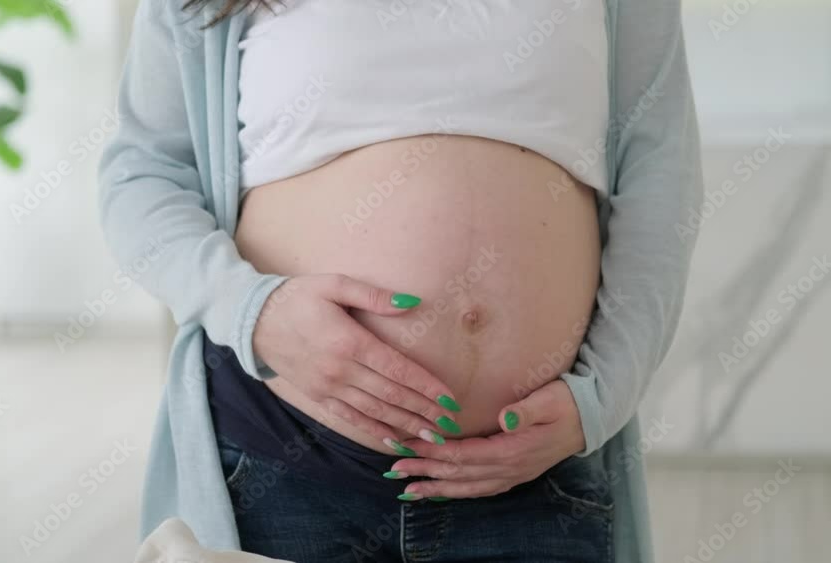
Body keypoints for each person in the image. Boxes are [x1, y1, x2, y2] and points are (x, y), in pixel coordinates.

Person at [98, 0, 703, 561]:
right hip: (284, 467)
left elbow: (660, 180)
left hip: (537, 484)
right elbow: (143, 173)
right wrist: (254, 311)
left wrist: (602, 396)